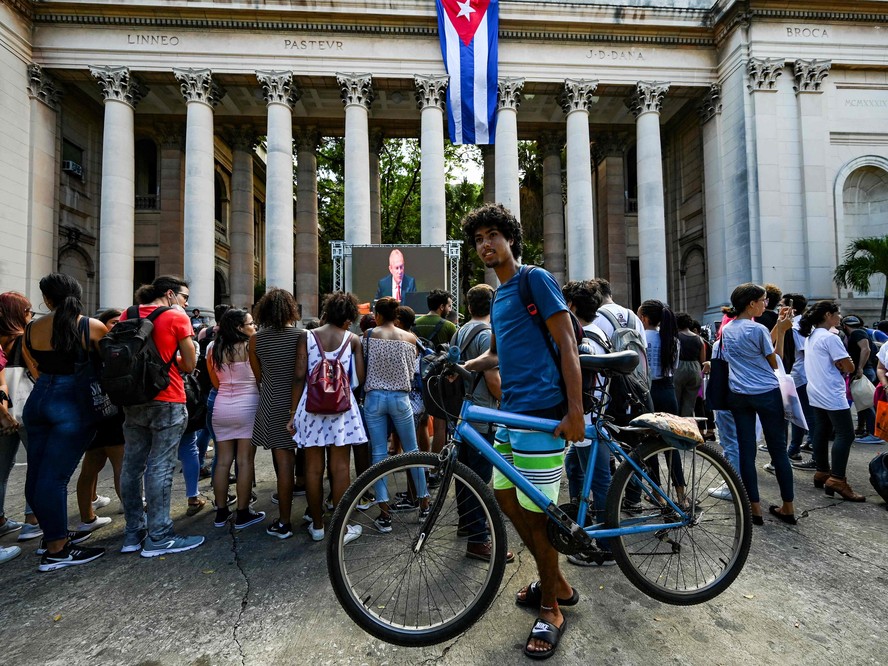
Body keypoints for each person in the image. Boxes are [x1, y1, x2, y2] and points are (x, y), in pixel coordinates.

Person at [462, 204, 585, 660]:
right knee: (504, 497)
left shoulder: (535, 279)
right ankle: (557, 582)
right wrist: (463, 364)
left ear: (511, 238)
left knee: (538, 514)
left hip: (543, 412)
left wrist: (575, 411)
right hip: (510, 414)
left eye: (492, 235)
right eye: (478, 239)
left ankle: (552, 608)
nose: (485, 244)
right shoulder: (498, 297)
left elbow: (567, 343)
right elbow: (496, 354)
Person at [21, 273, 108, 571]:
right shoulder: (90, 326)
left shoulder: (32, 328)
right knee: (54, 478)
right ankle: (57, 550)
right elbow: (108, 364)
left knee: (37, 474)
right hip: (72, 400)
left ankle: (51, 536)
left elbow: (34, 365)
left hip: (39, 397)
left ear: (47, 300)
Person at [118, 276, 204, 557]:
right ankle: (160, 535)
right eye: (184, 297)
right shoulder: (175, 317)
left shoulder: (128, 313)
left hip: (133, 398)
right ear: (169, 294)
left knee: (132, 466)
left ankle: (133, 533)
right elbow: (189, 364)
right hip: (167, 397)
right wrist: (171, 360)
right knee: (161, 466)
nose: (186, 303)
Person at [289, 292, 367, 543]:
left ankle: (318, 525)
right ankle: (341, 528)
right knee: (341, 467)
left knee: (313, 468)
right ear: (349, 317)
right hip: (342, 409)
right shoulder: (353, 339)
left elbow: (299, 375)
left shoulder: (307, 336)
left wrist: (292, 413)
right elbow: (359, 379)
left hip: (311, 406)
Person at [721, 283, 796, 525]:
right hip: (766, 392)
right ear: (751, 303)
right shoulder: (758, 329)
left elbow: (754, 351)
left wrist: (777, 327)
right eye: (763, 300)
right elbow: (776, 361)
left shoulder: (728, 329)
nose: (766, 304)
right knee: (778, 450)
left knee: (746, 450)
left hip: (739, 393)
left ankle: (754, 508)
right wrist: (782, 332)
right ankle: (788, 506)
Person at [362, 297, 429, 533]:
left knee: (379, 454)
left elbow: (363, 366)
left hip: (374, 398)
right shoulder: (411, 339)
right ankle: (424, 504)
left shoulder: (369, 335)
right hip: (401, 398)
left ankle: (384, 515)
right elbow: (412, 371)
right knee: (413, 452)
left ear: (378, 315)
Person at [561, 280, 615, 568]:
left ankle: (606, 547)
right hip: (594, 419)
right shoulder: (597, 332)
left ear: (570, 306)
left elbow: (583, 386)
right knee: (574, 466)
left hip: (588, 421)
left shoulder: (584, 339)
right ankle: (583, 525)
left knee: (600, 480)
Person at [248, 288, 302, 539]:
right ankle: (316, 514)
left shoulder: (256, 340)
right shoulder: (303, 336)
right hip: (302, 404)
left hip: (272, 403)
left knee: (284, 464)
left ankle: (284, 522)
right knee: (312, 462)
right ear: (291, 309)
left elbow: (258, 377)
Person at [801, 302, 867, 501]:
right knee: (846, 434)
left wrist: (842, 363)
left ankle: (822, 471)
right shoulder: (830, 338)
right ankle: (837, 479)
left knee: (822, 430)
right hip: (831, 392)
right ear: (828, 315)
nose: (840, 316)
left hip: (816, 390)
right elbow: (848, 367)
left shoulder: (811, 336)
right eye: (837, 313)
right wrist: (847, 364)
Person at [208, 309, 264, 530]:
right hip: (247, 405)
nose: (254, 327)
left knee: (222, 461)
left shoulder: (214, 348)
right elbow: (260, 376)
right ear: (239, 327)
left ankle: (221, 512)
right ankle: (242, 512)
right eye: (250, 323)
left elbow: (215, 381)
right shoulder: (251, 346)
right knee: (244, 461)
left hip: (221, 405)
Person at [74, 308, 124, 533]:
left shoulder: (86, 347)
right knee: (119, 464)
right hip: (108, 412)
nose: (117, 326)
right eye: (113, 322)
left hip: (92, 412)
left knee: (93, 465)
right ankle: (131, 515)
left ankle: (87, 518)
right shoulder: (106, 349)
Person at [0, 291, 41, 543]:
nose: (30, 316)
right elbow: (37, 372)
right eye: (28, 311)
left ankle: (0, 521)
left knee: (1, 468)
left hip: (2, 412)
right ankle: (32, 520)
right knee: (37, 465)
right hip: (27, 409)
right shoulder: (25, 338)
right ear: (19, 313)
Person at [413, 290, 458, 453]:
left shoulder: (415, 324)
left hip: (418, 376)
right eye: (449, 306)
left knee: (422, 422)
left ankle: (423, 460)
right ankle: (435, 464)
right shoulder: (449, 326)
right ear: (441, 307)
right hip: (440, 379)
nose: (450, 309)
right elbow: (455, 352)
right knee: (440, 424)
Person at [841, 315, 882, 444]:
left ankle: (875, 434)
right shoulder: (859, 332)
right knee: (864, 403)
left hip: (863, 372)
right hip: (865, 371)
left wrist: (860, 368)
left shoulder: (857, 333)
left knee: (866, 404)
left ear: (845, 326)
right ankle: (867, 430)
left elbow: (866, 349)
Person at [674, 312, 706, 418]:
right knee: (690, 403)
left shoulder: (676, 337)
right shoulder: (699, 339)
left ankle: (676, 424)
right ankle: (687, 424)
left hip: (679, 367)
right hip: (695, 368)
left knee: (676, 400)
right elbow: (703, 360)